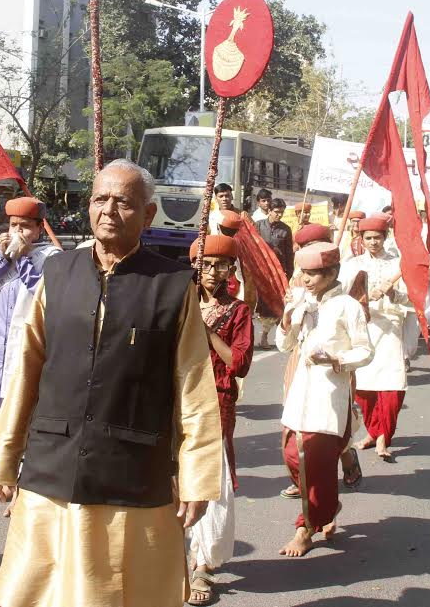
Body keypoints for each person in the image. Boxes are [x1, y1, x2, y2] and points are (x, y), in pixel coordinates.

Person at [0, 159, 221, 607]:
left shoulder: (172, 285)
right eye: (99, 199)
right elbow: (27, 369)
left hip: (132, 468)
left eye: (124, 202)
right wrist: (4, 455)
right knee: (43, 588)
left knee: (119, 592)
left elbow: (194, 387)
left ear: (148, 215)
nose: (109, 210)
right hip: (53, 463)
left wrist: (197, 477)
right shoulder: (58, 273)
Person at [277, 242, 374, 557]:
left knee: (313, 461)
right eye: (303, 272)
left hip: (328, 394)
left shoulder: (348, 306)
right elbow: (284, 344)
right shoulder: (303, 301)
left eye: (313, 273)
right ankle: (327, 506)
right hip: (299, 392)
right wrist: (287, 320)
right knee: (292, 455)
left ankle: (305, 528)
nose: (305, 279)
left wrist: (335, 358)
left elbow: (364, 350)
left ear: (332, 272)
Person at [187, 234, 253, 606]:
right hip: (175, 398)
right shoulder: (181, 303)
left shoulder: (238, 311)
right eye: (206, 265)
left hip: (217, 400)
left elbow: (239, 363)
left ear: (231, 270)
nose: (213, 273)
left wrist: (208, 332)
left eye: (221, 266)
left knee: (213, 477)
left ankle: (204, 564)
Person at [0, 197, 58, 445]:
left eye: (25, 226)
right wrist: (4, 257)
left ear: (40, 229)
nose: (18, 231)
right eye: (13, 225)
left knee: (20, 431)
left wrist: (24, 256)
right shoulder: (2, 252)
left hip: (27, 352)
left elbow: (42, 291)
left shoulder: (51, 257)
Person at [341, 216, 411, 461]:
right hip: (363, 328)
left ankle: (384, 438)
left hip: (390, 329)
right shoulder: (351, 264)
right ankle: (373, 432)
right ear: (361, 239)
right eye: (368, 238)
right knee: (364, 388)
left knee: (391, 386)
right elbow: (343, 295)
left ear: (385, 238)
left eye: (378, 238)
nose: (373, 242)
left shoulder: (398, 265)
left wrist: (392, 292)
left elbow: (409, 299)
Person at [256, 198, 294, 279]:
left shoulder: (286, 229)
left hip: (278, 270)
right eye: (277, 212)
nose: (280, 215)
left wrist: (289, 272)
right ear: (269, 211)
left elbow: (289, 254)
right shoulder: (258, 225)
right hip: (261, 268)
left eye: (282, 212)